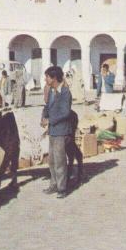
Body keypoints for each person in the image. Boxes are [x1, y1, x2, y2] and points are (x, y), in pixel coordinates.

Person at [42, 66, 72, 198]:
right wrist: (43, 116)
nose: (45, 79)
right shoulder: (52, 91)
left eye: (47, 76)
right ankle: (53, 184)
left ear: (54, 78)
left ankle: (62, 188)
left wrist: (50, 121)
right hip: (53, 131)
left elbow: (65, 113)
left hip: (61, 131)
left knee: (60, 161)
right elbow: (47, 107)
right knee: (52, 160)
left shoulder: (65, 92)